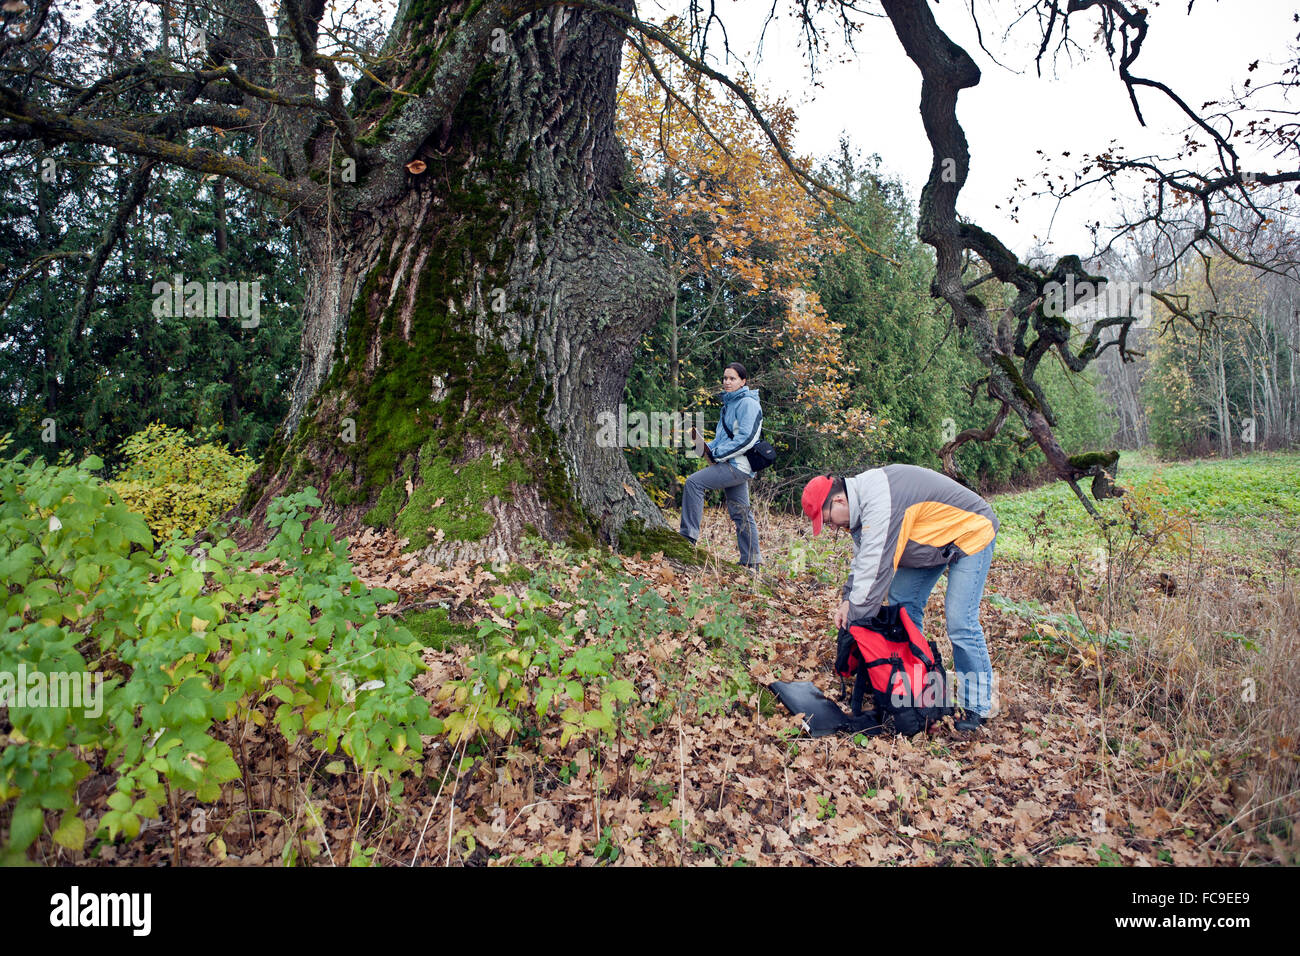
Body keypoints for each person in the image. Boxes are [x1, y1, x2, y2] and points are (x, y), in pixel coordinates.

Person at [801, 465, 998, 730]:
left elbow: (876, 570)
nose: (832, 527)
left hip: (971, 532)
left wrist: (857, 628)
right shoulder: (860, 507)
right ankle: (914, 686)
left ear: (838, 500)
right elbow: (863, 560)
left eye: (828, 520)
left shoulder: (880, 500)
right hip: (931, 543)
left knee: (960, 622)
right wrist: (848, 600)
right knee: (902, 603)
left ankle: (978, 707)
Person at [678, 363, 762, 567]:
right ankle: (751, 562)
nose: (727, 382)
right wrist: (705, 446)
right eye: (725, 378)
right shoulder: (729, 405)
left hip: (738, 465)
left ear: (743, 381)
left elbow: (746, 438)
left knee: (693, 483)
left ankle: (688, 537)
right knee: (741, 512)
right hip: (732, 462)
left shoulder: (748, 404)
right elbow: (722, 439)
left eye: (732, 378)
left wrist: (716, 453)